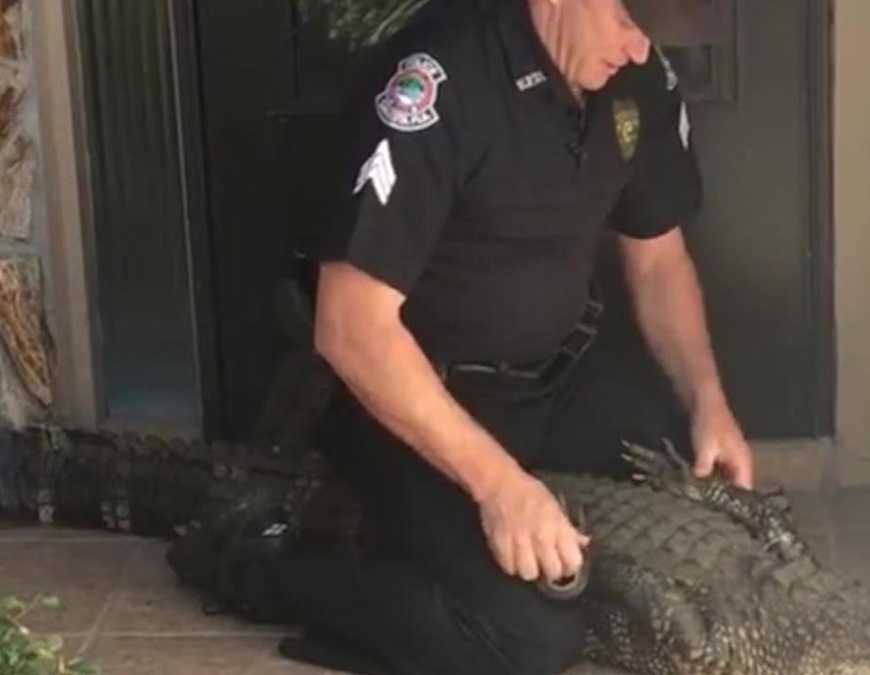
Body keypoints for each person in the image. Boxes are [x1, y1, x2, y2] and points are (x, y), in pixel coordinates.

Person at [227, 1, 754, 673]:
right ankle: (277, 560)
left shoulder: (637, 72)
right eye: (628, 20)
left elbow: (657, 260)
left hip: (556, 380)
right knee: (527, 640)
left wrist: (708, 398)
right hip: (421, 400)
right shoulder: (441, 79)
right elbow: (350, 326)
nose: (639, 47)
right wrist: (500, 486)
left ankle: (465, 538)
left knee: (704, 487)